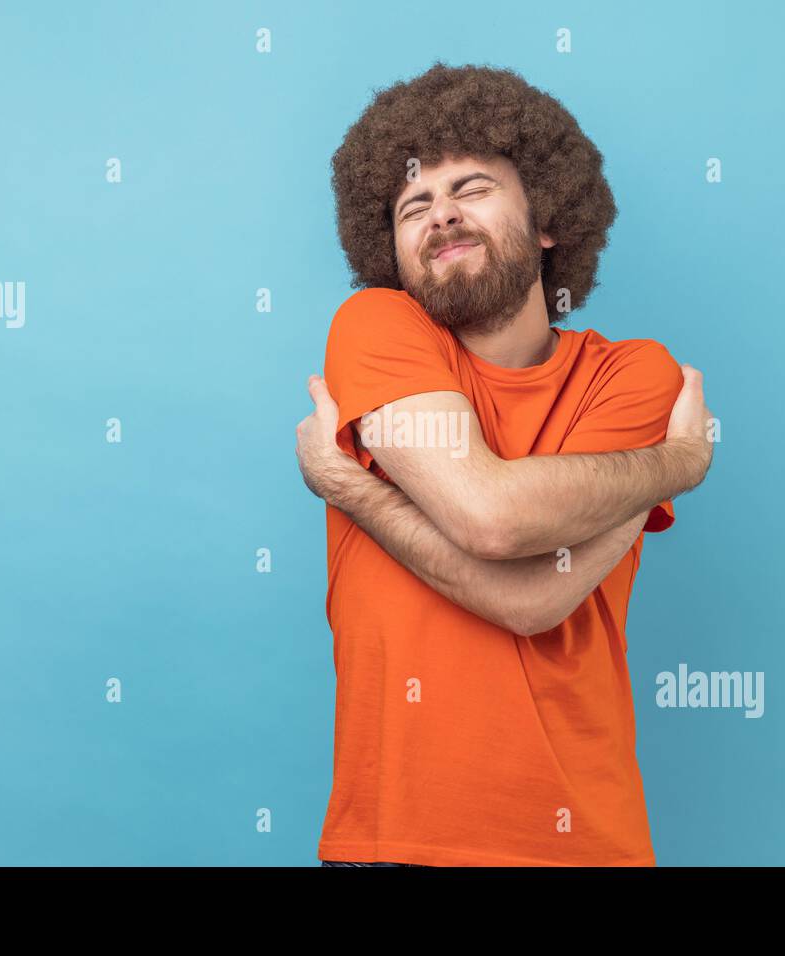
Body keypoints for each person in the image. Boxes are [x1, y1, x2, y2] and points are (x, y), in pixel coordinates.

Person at [295, 62, 714, 867]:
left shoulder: (633, 376)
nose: (440, 215)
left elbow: (530, 593)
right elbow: (493, 520)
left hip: (588, 846)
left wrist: (354, 490)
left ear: (549, 220)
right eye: (414, 204)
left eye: (473, 188)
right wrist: (673, 462)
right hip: (392, 843)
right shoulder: (375, 326)